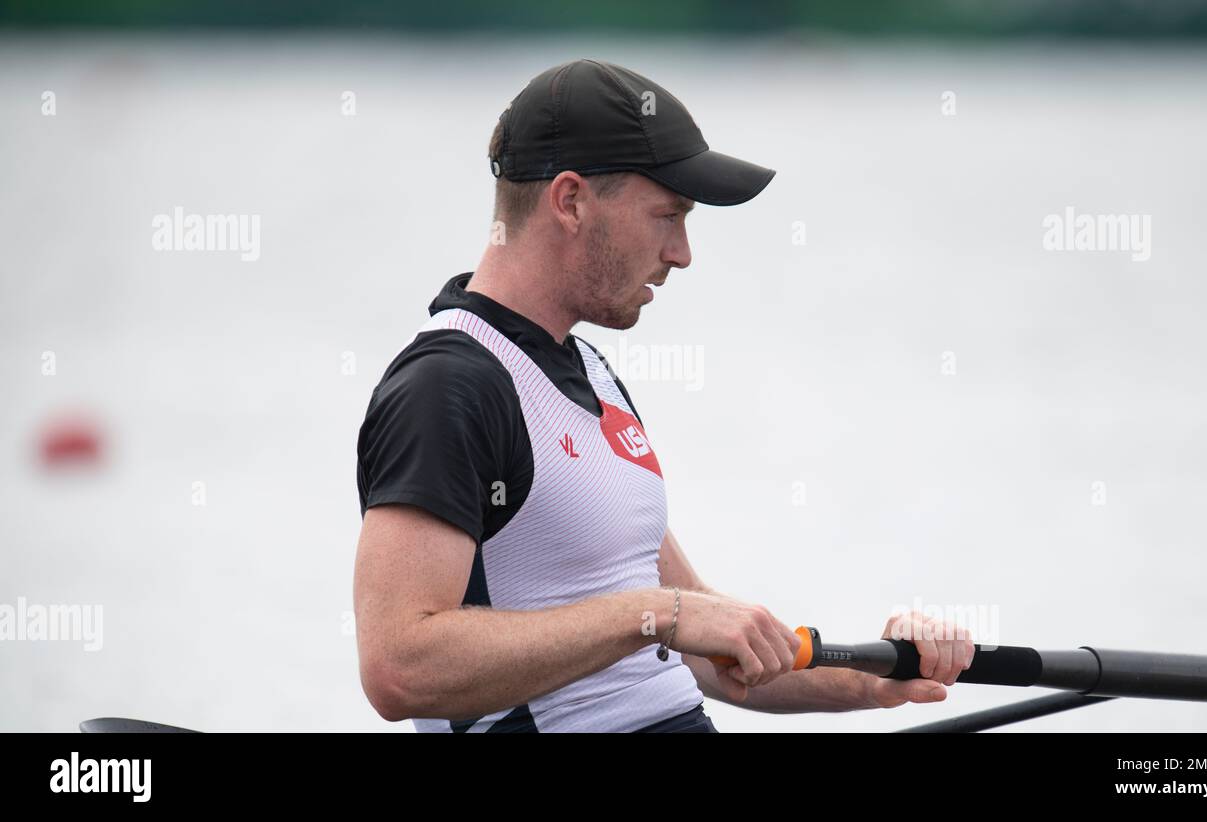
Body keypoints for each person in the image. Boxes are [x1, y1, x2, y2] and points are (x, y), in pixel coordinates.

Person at [353, 58, 973, 732]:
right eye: (667, 215)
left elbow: (708, 653)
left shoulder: (587, 368)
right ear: (570, 201)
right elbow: (399, 667)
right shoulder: (448, 387)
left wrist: (874, 677)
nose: (682, 253)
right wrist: (659, 614)